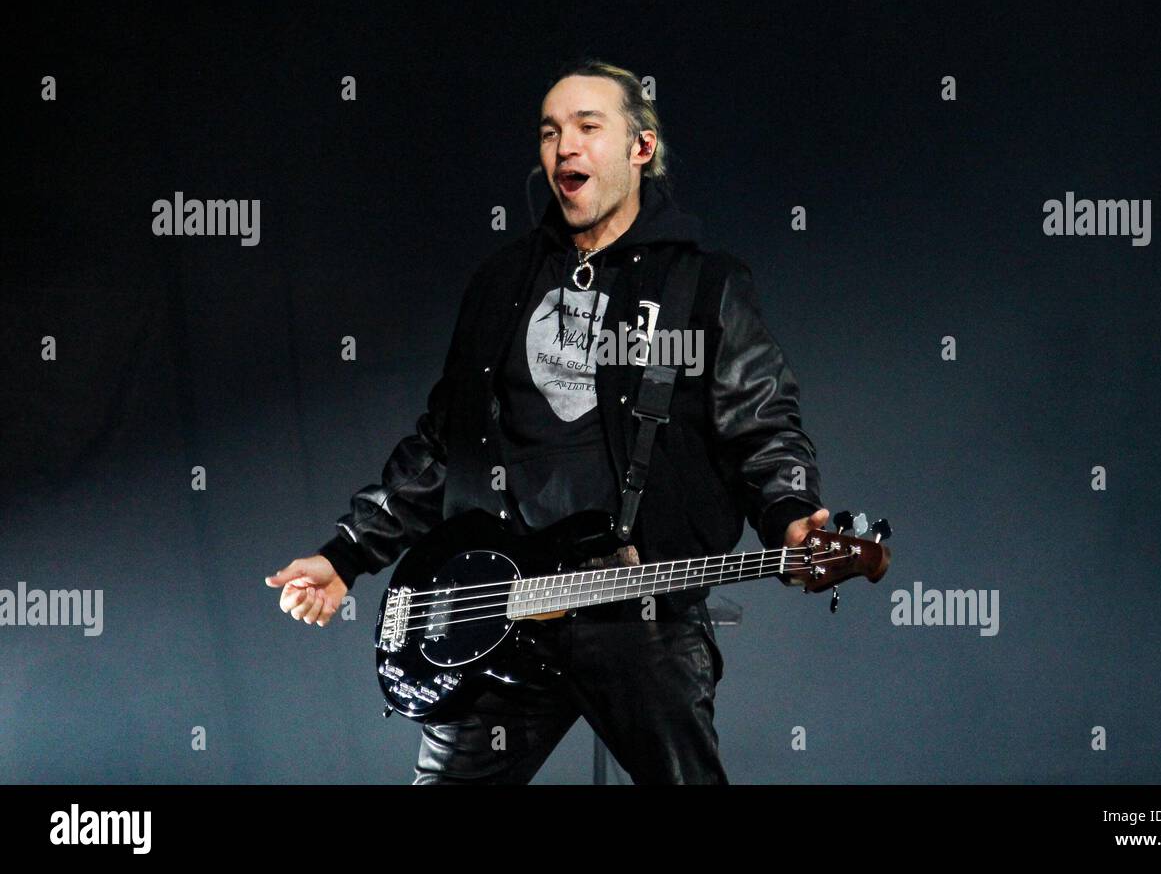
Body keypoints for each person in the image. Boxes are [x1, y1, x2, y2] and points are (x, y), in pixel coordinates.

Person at [265, 59, 829, 784]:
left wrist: (791, 510)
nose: (566, 146)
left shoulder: (701, 286)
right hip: (497, 613)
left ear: (640, 149)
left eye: (589, 127)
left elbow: (761, 420)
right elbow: (443, 444)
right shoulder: (504, 281)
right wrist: (346, 555)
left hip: (636, 614)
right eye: (551, 131)